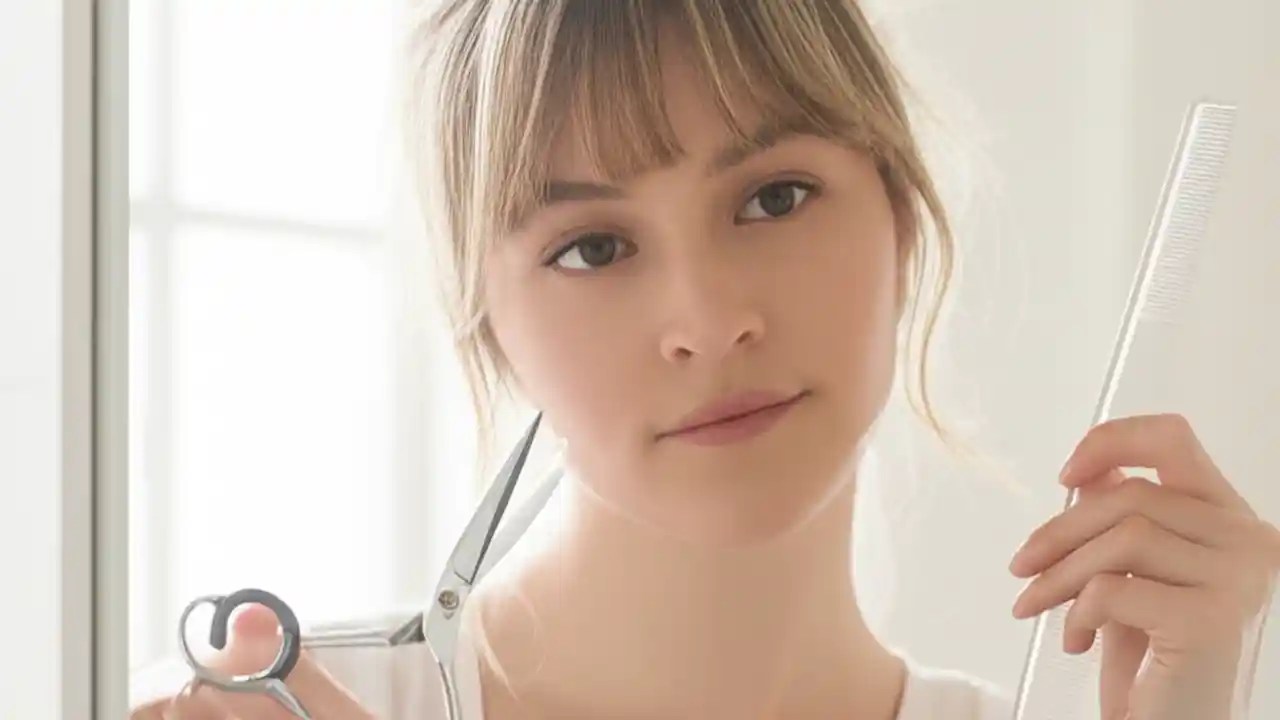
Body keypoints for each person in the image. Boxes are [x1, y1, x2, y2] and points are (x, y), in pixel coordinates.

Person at [132, 1, 1280, 718]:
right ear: (485, 321)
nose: (704, 318)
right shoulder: (288, 712)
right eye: (592, 247)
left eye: (773, 197)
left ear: (901, 215)